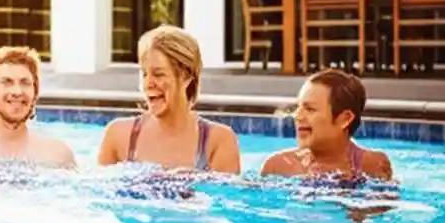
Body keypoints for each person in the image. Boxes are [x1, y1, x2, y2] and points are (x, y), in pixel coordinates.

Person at [97, 25, 241, 174]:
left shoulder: (218, 142)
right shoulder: (118, 136)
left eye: (158, 74)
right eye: (145, 74)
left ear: (186, 77)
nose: (148, 83)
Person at [260, 69, 393, 181]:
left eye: (310, 109)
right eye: (298, 108)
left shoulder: (372, 165)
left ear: (345, 119)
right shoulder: (278, 167)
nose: (297, 117)